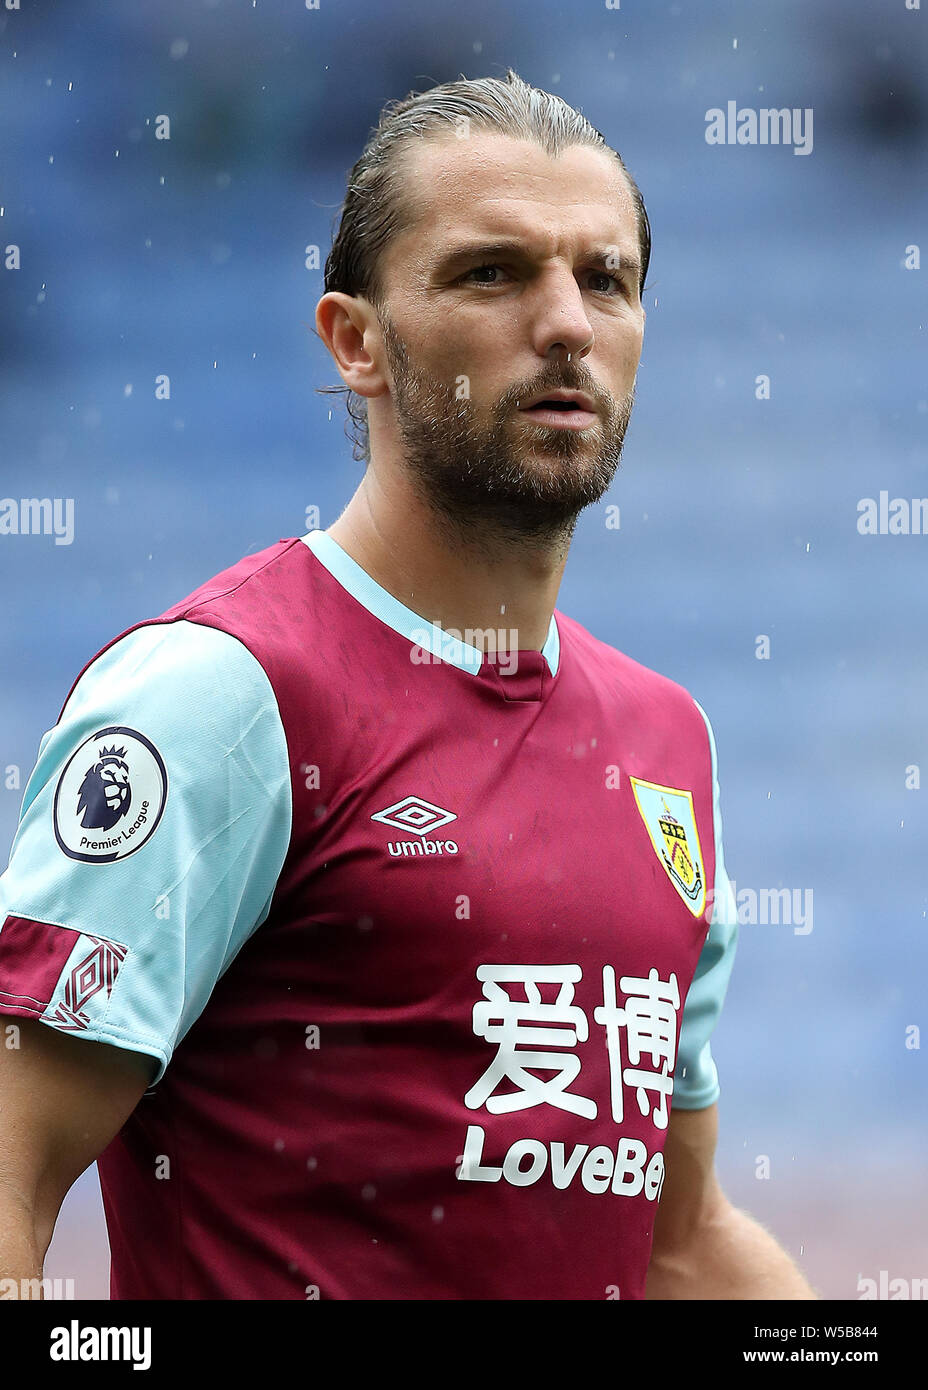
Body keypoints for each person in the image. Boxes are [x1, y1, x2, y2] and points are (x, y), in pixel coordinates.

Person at [0, 69, 815, 1300]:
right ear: (356, 341)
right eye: (492, 272)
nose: (566, 325)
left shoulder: (665, 741)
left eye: (606, 279)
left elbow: (680, 1236)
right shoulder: (225, 696)